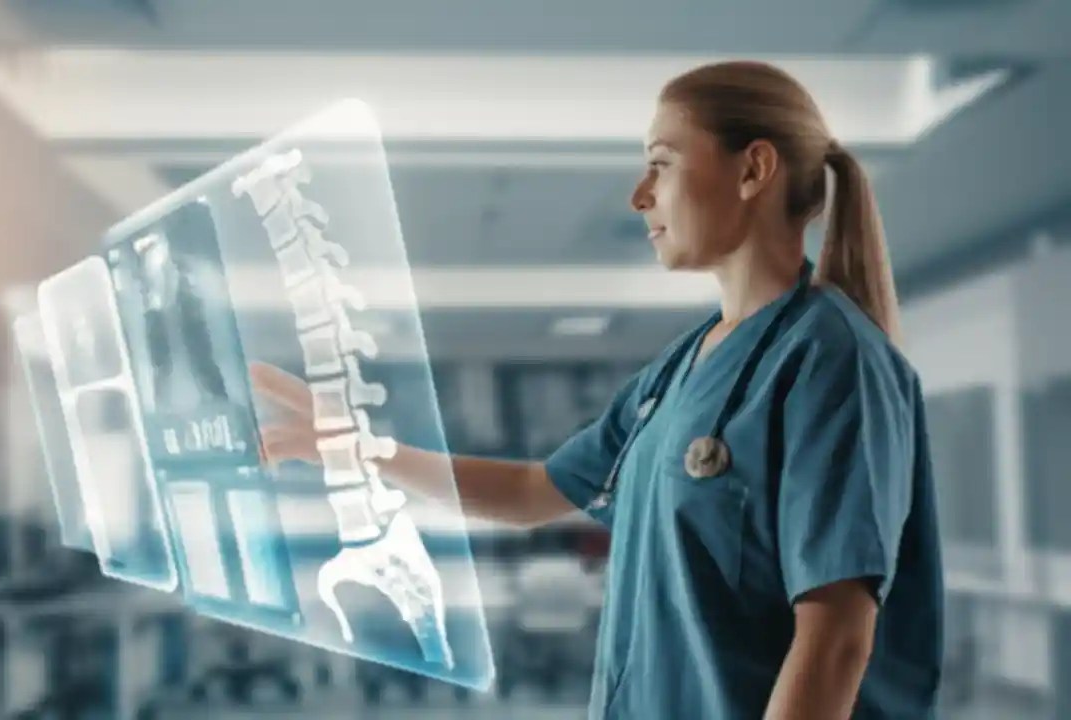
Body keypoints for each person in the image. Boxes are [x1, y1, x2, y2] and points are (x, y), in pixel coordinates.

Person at [250, 60, 943, 719]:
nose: (639, 195)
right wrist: (359, 449)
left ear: (753, 169)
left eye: (662, 164)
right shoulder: (677, 370)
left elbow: (835, 639)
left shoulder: (833, 360)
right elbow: (531, 492)